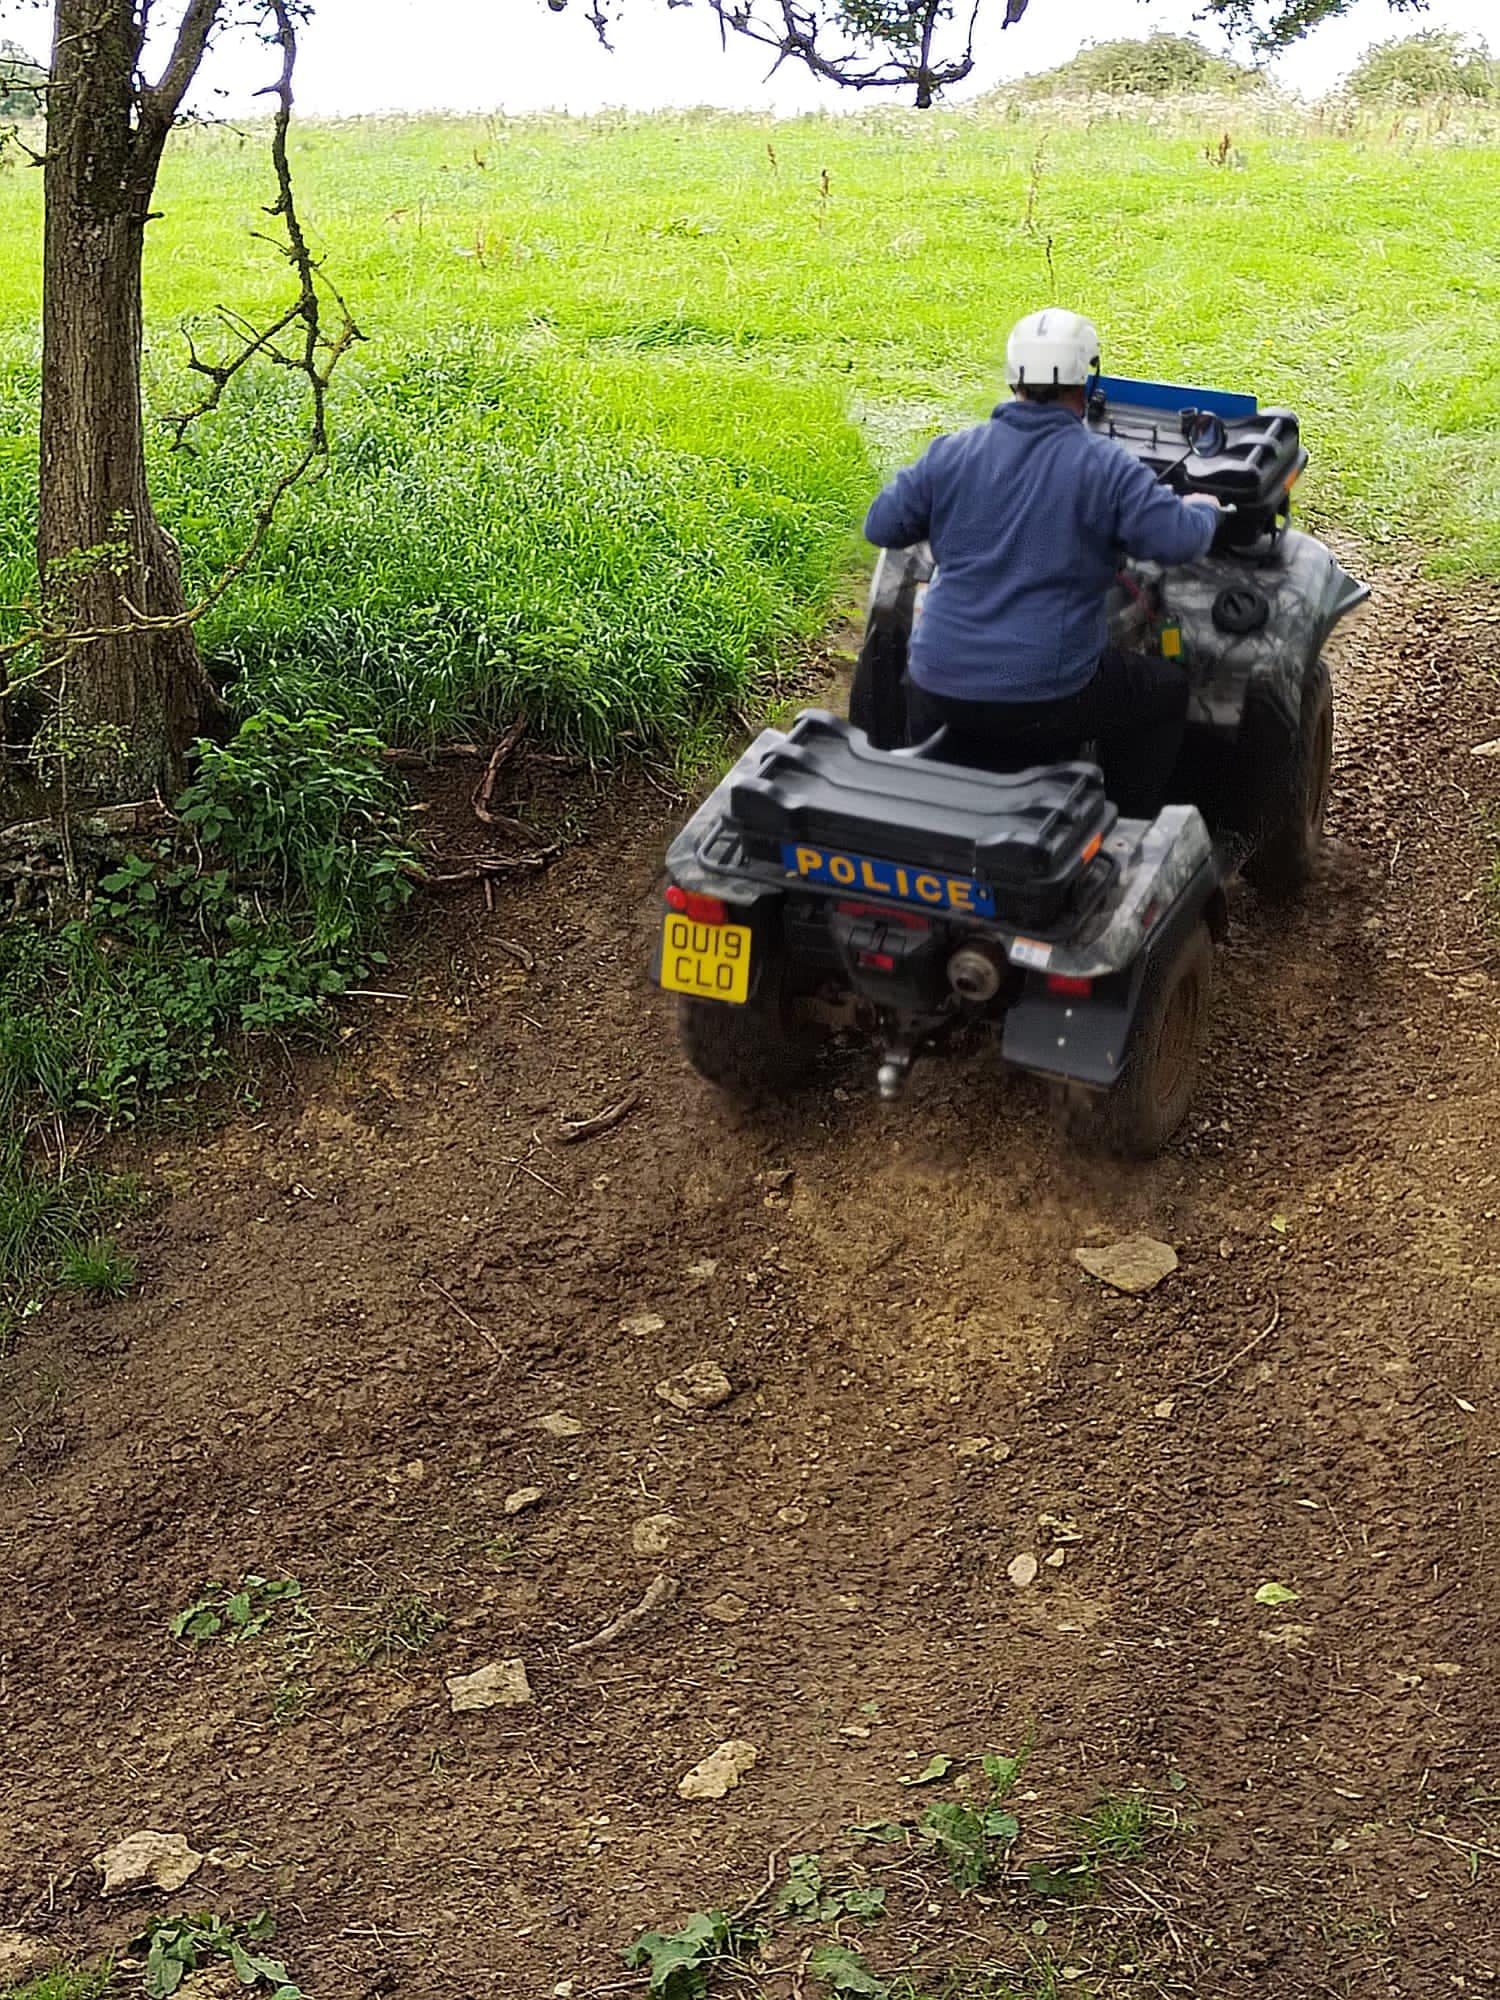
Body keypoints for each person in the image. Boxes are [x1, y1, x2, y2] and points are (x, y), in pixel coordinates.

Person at [863, 308, 1220, 818]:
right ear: (1086, 379)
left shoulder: (951, 453)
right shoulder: (1106, 466)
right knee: (1163, 693)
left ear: (1014, 378)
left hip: (935, 685)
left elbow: (882, 526)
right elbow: (1179, 541)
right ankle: (1127, 827)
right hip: (1045, 700)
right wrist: (1202, 510)